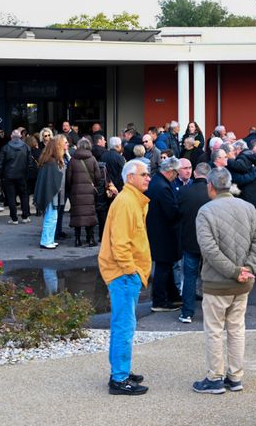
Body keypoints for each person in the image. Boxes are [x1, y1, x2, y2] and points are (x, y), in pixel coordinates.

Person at [192, 167, 256, 394]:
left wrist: (237, 271)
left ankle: (215, 377)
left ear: (210, 186)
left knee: (215, 330)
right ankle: (235, 377)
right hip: (242, 282)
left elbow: (209, 250)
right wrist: (248, 269)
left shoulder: (206, 211)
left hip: (218, 283)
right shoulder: (248, 207)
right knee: (236, 328)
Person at [99, 160, 152, 396]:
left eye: (148, 174)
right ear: (130, 177)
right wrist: (131, 269)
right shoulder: (126, 202)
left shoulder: (132, 200)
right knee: (123, 325)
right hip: (123, 274)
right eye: (143, 174)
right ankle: (119, 379)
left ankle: (121, 371)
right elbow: (119, 243)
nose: (148, 177)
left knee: (124, 324)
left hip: (128, 273)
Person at [144, 157, 182, 312]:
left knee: (165, 265)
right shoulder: (163, 186)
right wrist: (181, 211)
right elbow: (171, 212)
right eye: (177, 172)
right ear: (171, 171)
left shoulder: (156, 182)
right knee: (163, 266)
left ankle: (172, 297)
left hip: (158, 230)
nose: (177, 176)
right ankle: (159, 301)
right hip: (164, 232)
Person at [176, 162, 212, 323]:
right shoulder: (212, 193)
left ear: (195, 174)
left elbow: (178, 214)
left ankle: (187, 312)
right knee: (210, 277)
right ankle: (211, 313)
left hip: (190, 239)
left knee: (190, 277)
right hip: (210, 241)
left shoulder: (184, 191)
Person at [66, 138, 102, 247]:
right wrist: (93, 184)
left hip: (76, 192)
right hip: (89, 191)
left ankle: (77, 240)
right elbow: (98, 176)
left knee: (77, 215)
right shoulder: (92, 159)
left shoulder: (72, 160)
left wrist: (72, 187)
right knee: (89, 214)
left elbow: (69, 178)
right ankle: (90, 239)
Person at [34, 138, 66, 250]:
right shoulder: (52, 163)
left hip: (50, 193)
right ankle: (46, 240)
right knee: (51, 217)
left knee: (52, 217)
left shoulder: (48, 161)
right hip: (51, 195)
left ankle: (49, 239)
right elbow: (56, 180)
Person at [0, 129, 32, 225]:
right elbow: (30, 163)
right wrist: (27, 174)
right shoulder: (26, 147)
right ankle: (25, 216)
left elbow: (0, 164)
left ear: (11, 137)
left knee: (11, 197)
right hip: (22, 176)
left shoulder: (5, 148)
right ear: (20, 136)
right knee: (24, 196)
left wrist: (1, 175)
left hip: (8, 176)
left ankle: (14, 218)